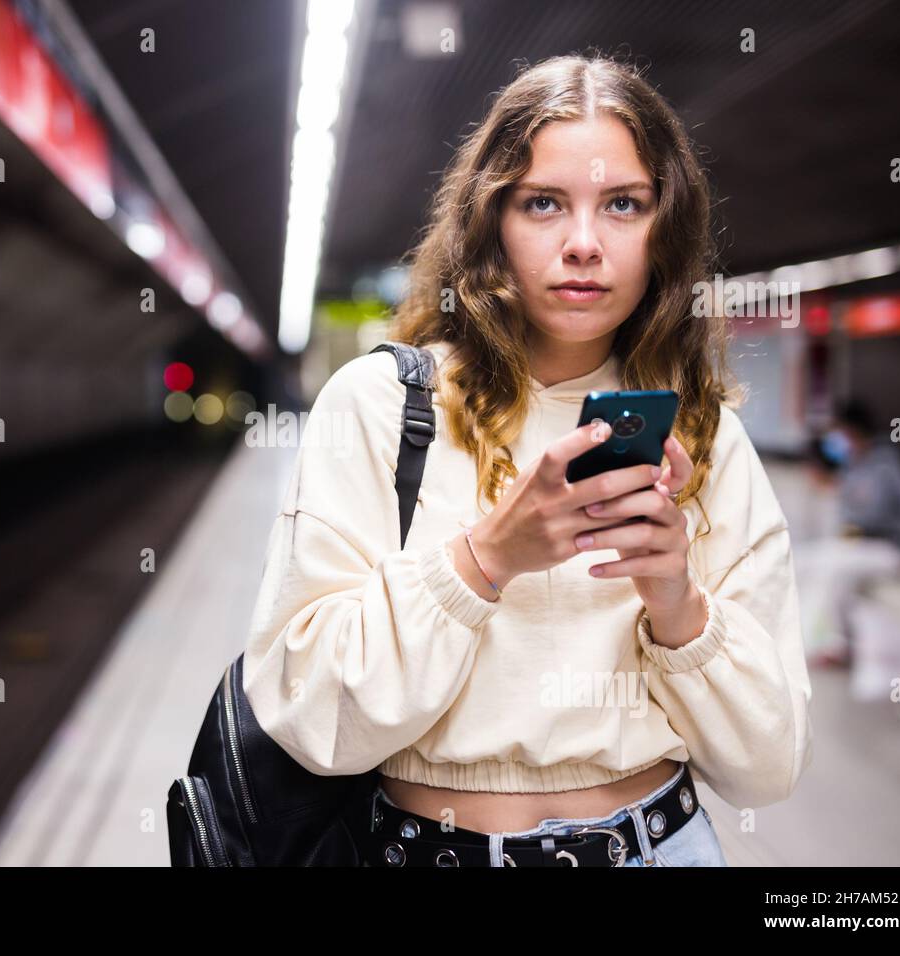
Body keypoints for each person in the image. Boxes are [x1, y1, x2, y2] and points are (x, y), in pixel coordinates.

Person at [242, 53, 813, 867]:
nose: (584, 244)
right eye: (543, 203)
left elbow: (768, 768)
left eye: (624, 204)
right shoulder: (382, 407)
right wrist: (486, 559)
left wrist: (677, 603)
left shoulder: (705, 436)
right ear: (490, 222)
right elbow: (309, 718)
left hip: (661, 848)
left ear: (666, 227)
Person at [796, 399, 900, 668]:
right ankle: (801, 638)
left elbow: (875, 514)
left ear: (852, 431)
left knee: (834, 567)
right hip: (859, 546)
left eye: (839, 432)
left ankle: (828, 645)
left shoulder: (886, 464)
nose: (835, 440)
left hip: (892, 548)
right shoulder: (853, 462)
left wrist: (836, 487)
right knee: (802, 559)